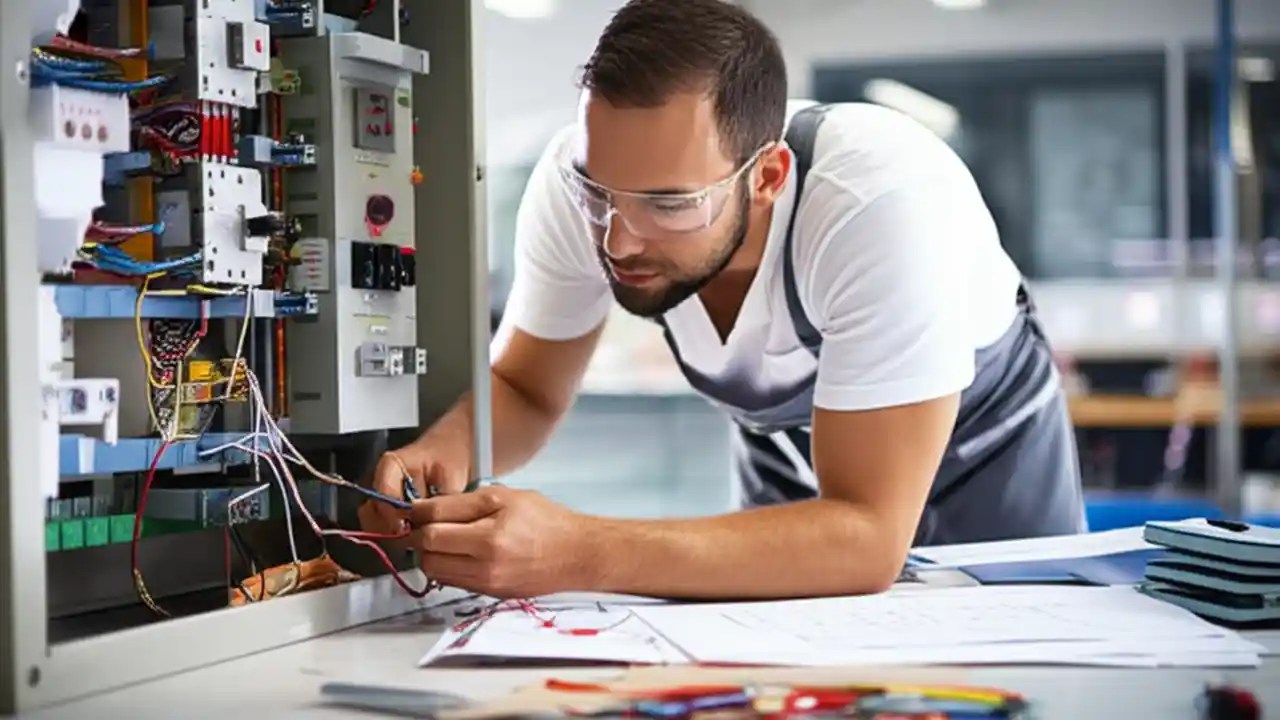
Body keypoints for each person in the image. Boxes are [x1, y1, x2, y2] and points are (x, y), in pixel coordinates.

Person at [360, 0, 1086, 600]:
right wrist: (442, 451)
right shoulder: (578, 185)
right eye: (599, 194)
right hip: (792, 452)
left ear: (767, 177)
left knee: (1025, 661)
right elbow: (525, 386)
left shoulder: (880, 202)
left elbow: (865, 538)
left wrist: (582, 551)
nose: (618, 240)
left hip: (982, 447)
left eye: (668, 205)